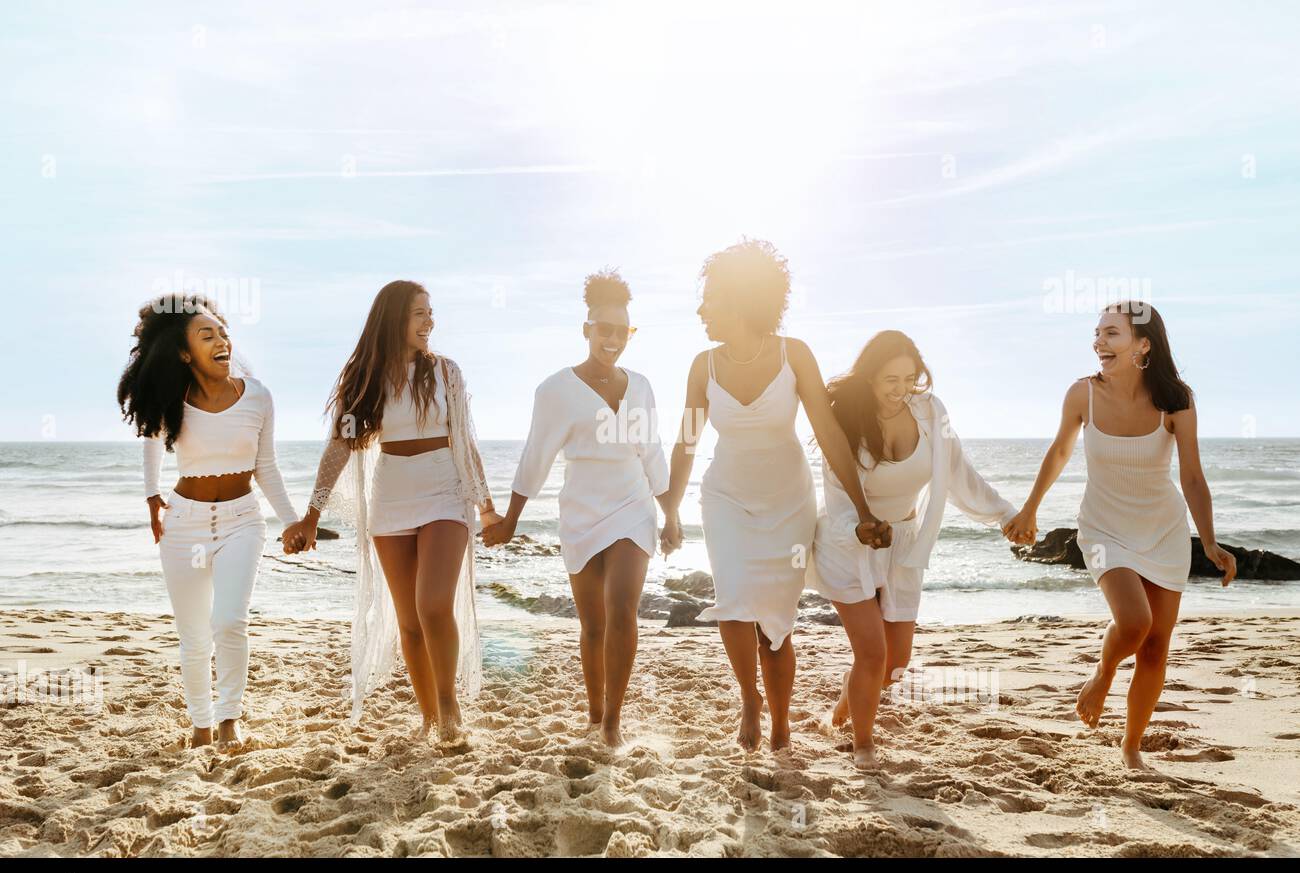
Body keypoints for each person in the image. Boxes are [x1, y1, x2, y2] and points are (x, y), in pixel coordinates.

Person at [660, 239, 890, 753]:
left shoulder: (794, 354)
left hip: (788, 500)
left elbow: (829, 434)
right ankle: (749, 698)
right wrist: (670, 509)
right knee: (734, 601)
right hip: (726, 498)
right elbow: (687, 441)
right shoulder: (704, 366)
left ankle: (781, 716)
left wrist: (862, 507)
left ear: (740, 298)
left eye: (710, 298)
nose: (701, 310)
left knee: (775, 629)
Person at [1004, 301, 1237, 769]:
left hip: (1163, 530)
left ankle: (1131, 745)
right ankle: (1104, 671)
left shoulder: (1177, 400)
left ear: (1143, 343)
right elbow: (1059, 452)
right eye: (1097, 333)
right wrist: (1030, 509)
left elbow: (1192, 476)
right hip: (1104, 526)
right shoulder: (1081, 394)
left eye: (1111, 333)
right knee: (1134, 622)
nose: (1099, 342)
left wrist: (1209, 541)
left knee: (1155, 645)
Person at [282, 280, 499, 743]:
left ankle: (448, 708)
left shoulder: (446, 373)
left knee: (433, 604)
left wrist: (487, 507)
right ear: (394, 319)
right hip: (391, 498)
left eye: (431, 312)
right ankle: (428, 718)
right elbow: (340, 446)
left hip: (445, 491)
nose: (430, 322)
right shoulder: (365, 375)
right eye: (420, 313)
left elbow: (465, 439)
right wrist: (312, 515)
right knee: (409, 620)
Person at [811, 330, 1019, 767]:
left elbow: (959, 470)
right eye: (889, 378)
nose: (900, 388)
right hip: (850, 541)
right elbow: (837, 493)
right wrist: (861, 530)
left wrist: (1004, 513)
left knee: (894, 661)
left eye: (909, 377)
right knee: (872, 651)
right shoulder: (845, 419)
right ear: (868, 377)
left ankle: (845, 705)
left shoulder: (930, 412)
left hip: (903, 542)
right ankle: (864, 745)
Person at [483, 269, 670, 747]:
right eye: (604, 329)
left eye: (622, 331)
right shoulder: (556, 390)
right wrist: (510, 520)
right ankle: (593, 711)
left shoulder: (642, 386)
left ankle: (612, 721)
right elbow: (536, 456)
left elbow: (652, 452)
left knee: (623, 608)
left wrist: (672, 514)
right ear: (587, 329)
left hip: (633, 506)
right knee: (593, 625)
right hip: (582, 514)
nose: (613, 339)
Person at [117, 294, 299, 749]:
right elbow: (153, 443)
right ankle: (200, 726)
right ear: (184, 352)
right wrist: (151, 495)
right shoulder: (169, 399)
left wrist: (293, 521)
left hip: (242, 521)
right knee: (195, 635)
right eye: (207, 335)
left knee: (230, 622)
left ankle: (229, 720)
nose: (222, 341)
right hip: (185, 525)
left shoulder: (257, 396)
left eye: (223, 332)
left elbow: (267, 467)